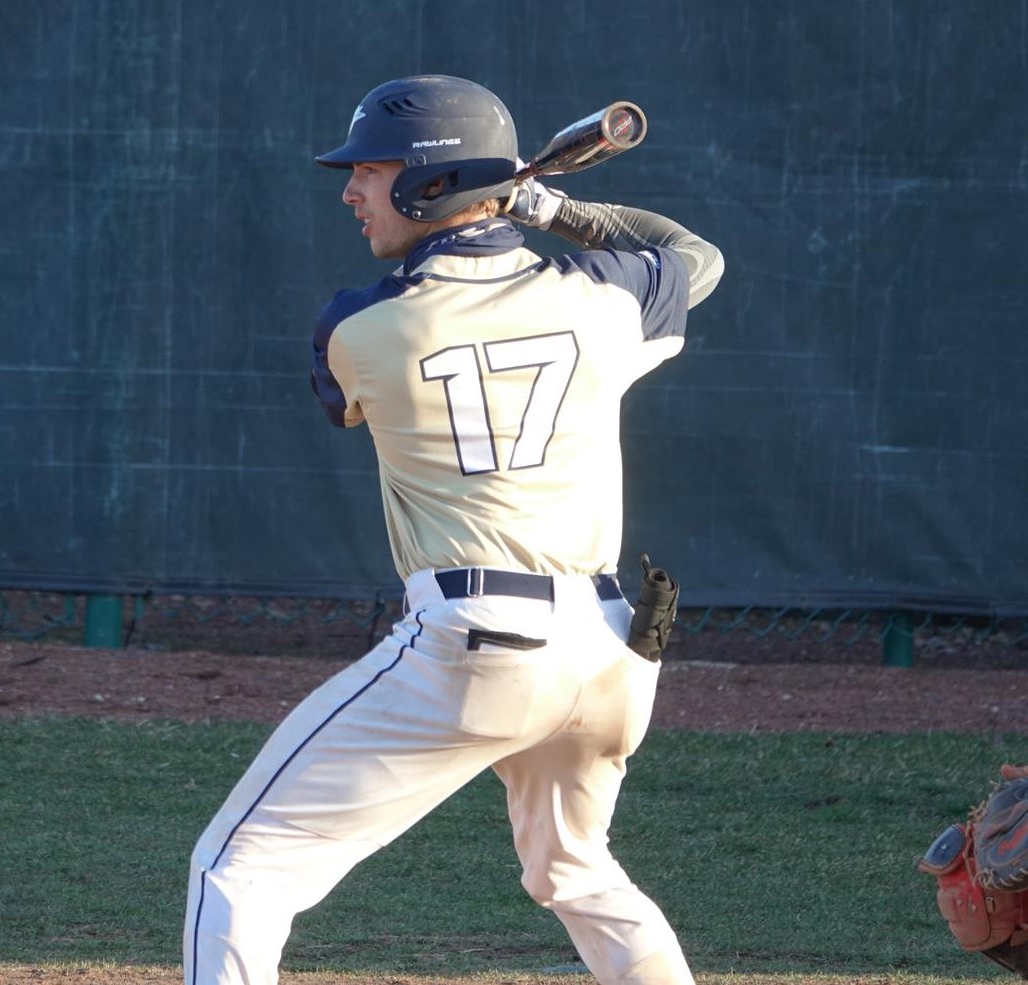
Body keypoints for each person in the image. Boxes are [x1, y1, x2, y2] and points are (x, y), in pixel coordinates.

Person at [182, 75, 724, 985]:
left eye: (372, 171)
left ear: (430, 186)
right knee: (577, 871)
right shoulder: (604, 300)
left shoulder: (357, 325)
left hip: (478, 645)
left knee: (239, 868)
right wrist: (551, 206)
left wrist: (503, 198)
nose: (350, 191)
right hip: (608, 654)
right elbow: (691, 255)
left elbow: (350, 402)